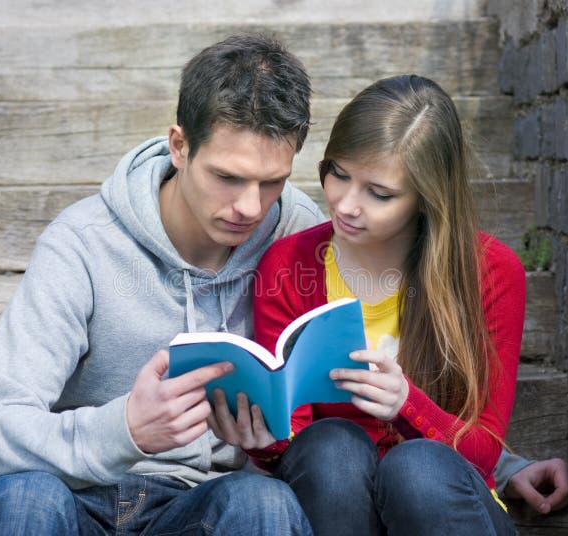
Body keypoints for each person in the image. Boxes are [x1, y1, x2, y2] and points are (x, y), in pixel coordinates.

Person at [0, 34, 323, 534]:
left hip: (200, 504)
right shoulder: (82, 243)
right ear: (179, 146)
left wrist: (270, 442)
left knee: (263, 503)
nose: (251, 208)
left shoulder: (298, 232)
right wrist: (125, 429)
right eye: (228, 177)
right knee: (25, 498)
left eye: (272, 181)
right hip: (70, 494)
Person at [209, 74, 526, 535]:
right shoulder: (289, 264)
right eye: (339, 173)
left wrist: (406, 402)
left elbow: (484, 451)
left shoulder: (491, 272)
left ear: (426, 199)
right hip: (338, 504)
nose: (345, 205)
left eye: (379, 193)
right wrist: (260, 441)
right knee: (332, 446)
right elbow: (294, 440)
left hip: (447, 506)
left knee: (416, 468)